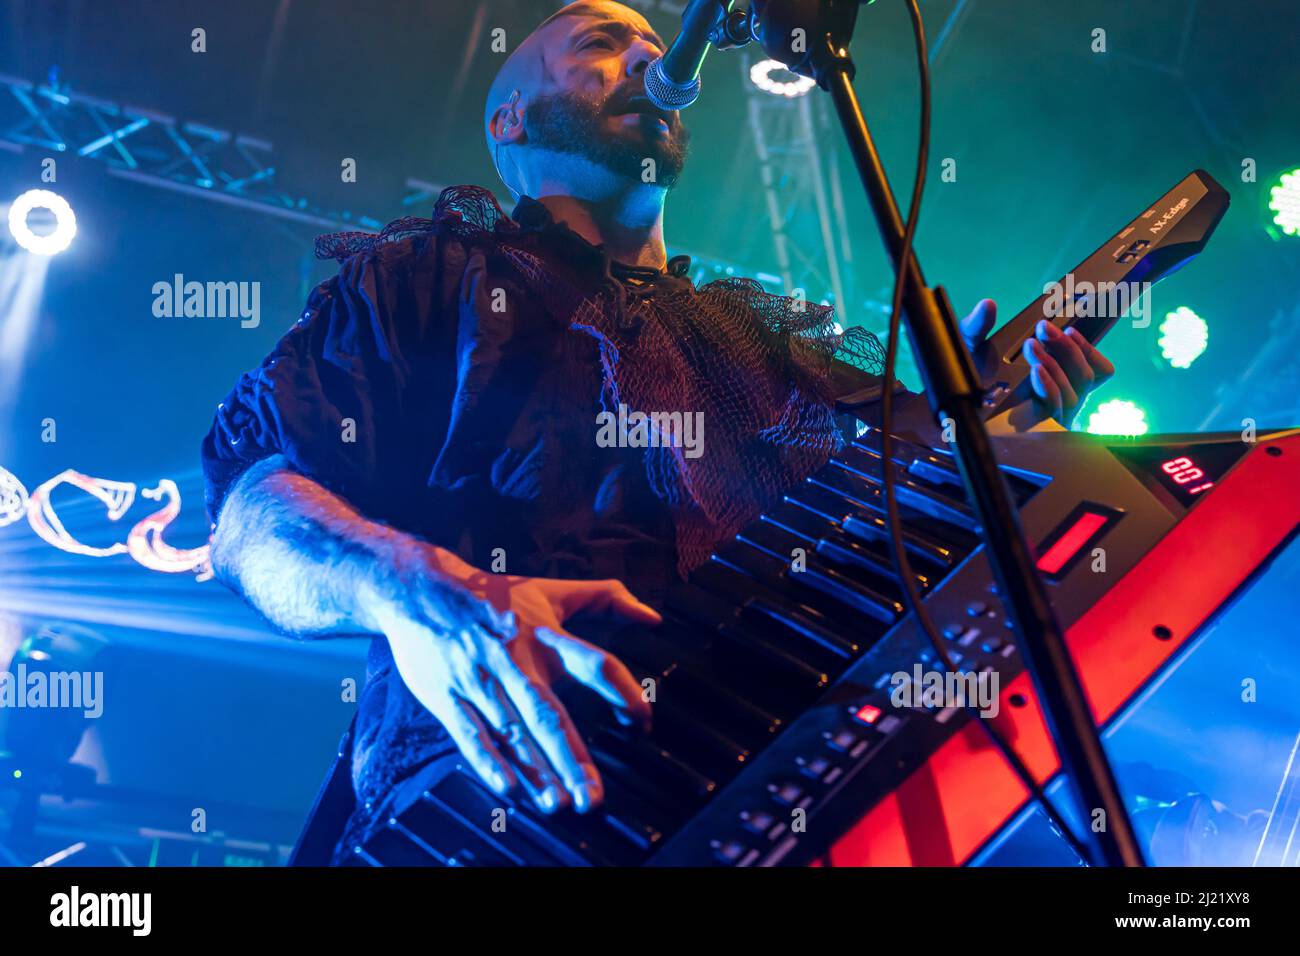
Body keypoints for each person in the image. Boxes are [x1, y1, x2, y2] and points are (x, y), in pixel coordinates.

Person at [200, 0, 1115, 859]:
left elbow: (902, 489)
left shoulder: (758, 340)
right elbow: (250, 515)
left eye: (648, 42)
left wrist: (1005, 413)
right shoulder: (432, 277)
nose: (644, 53)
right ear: (510, 120)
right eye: (600, 44)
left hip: (777, 776)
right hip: (510, 787)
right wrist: (418, 591)